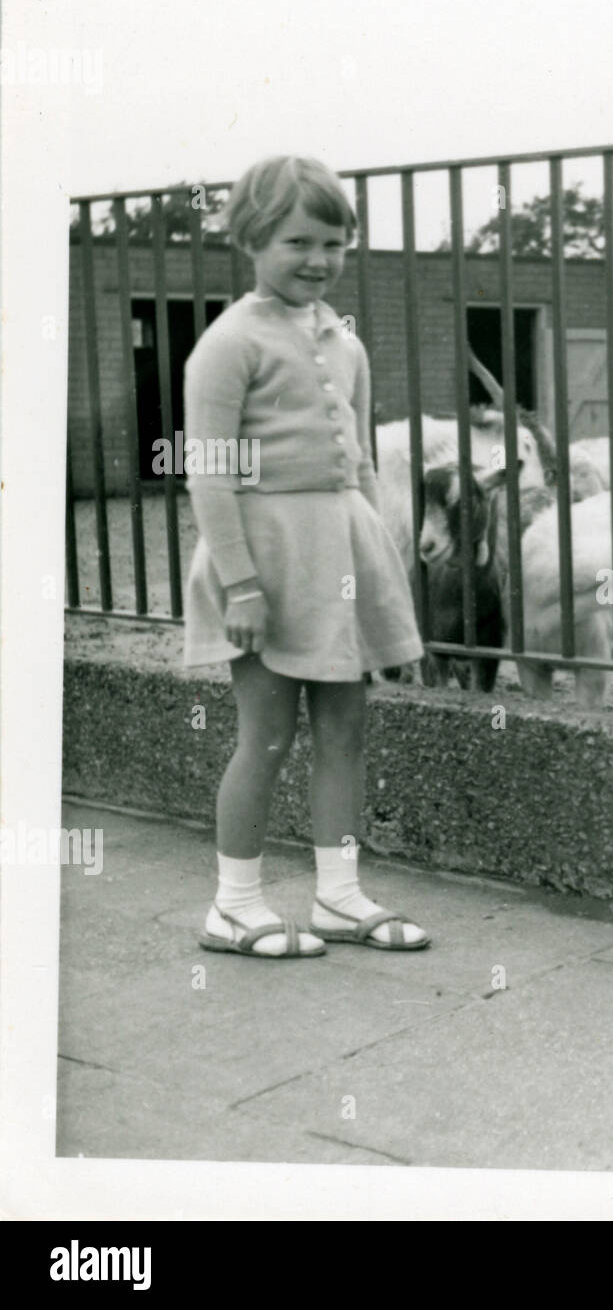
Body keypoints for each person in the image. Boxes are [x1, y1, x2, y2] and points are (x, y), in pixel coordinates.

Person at [184, 155, 429, 957]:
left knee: (345, 729)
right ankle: (234, 902)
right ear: (254, 238)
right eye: (298, 241)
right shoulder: (228, 343)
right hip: (264, 560)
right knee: (267, 735)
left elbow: (359, 467)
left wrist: (382, 570)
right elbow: (212, 472)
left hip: (342, 557)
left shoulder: (344, 342)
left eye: (335, 242)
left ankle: (338, 894)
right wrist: (241, 583)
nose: (318, 259)